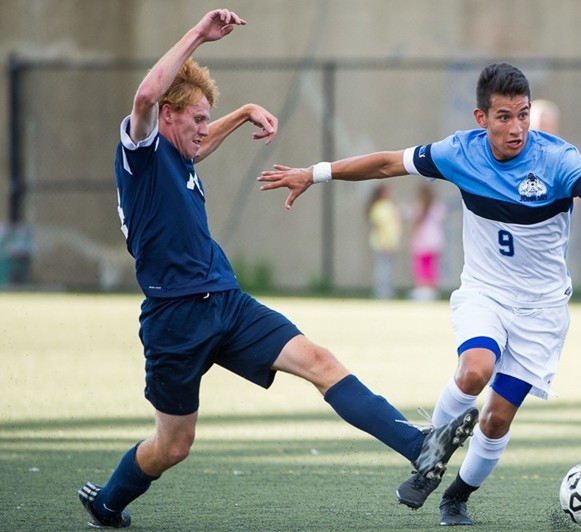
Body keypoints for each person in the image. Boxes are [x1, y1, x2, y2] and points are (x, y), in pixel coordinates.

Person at [77, 9, 477, 528]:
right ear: (168, 116)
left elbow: (198, 143)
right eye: (196, 118)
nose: (203, 129)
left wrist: (241, 112)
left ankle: (418, 446)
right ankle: (109, 502)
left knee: (319, 360)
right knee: (174, 445)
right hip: (173, 319)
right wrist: (199, 34)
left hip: (225, 302)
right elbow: (146, 97)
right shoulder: (140, 151)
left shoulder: (176, 154)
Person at [258, 62, 581, 526]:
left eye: (524, 115)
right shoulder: (460, 152)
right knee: (476, 369)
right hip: (486, 293)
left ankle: (455, 497)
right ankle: (428, 455)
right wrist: (314, 173)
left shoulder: (558, 160)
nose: (517, 128)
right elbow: (386, 163)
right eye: (504, 117)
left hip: (542, 309)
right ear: (481, 119)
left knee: (496, 420)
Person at [408, 183, 447, 301]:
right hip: (434, 241)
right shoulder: (437, 207)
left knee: (422, 268)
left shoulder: (418, 207)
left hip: (422, 242)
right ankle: (430, 292)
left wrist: (411, 239)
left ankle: (423, 292)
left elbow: (415, 225)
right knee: (432, 268)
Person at [366, 183, 402, 299]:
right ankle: (381, 291)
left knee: (387, 268)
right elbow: (379, 227)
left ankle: (385, 290)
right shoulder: (379, 207)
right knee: (382, 269)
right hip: (382, 244)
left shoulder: (389, 205)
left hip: (390, 244)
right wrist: (385, 244)